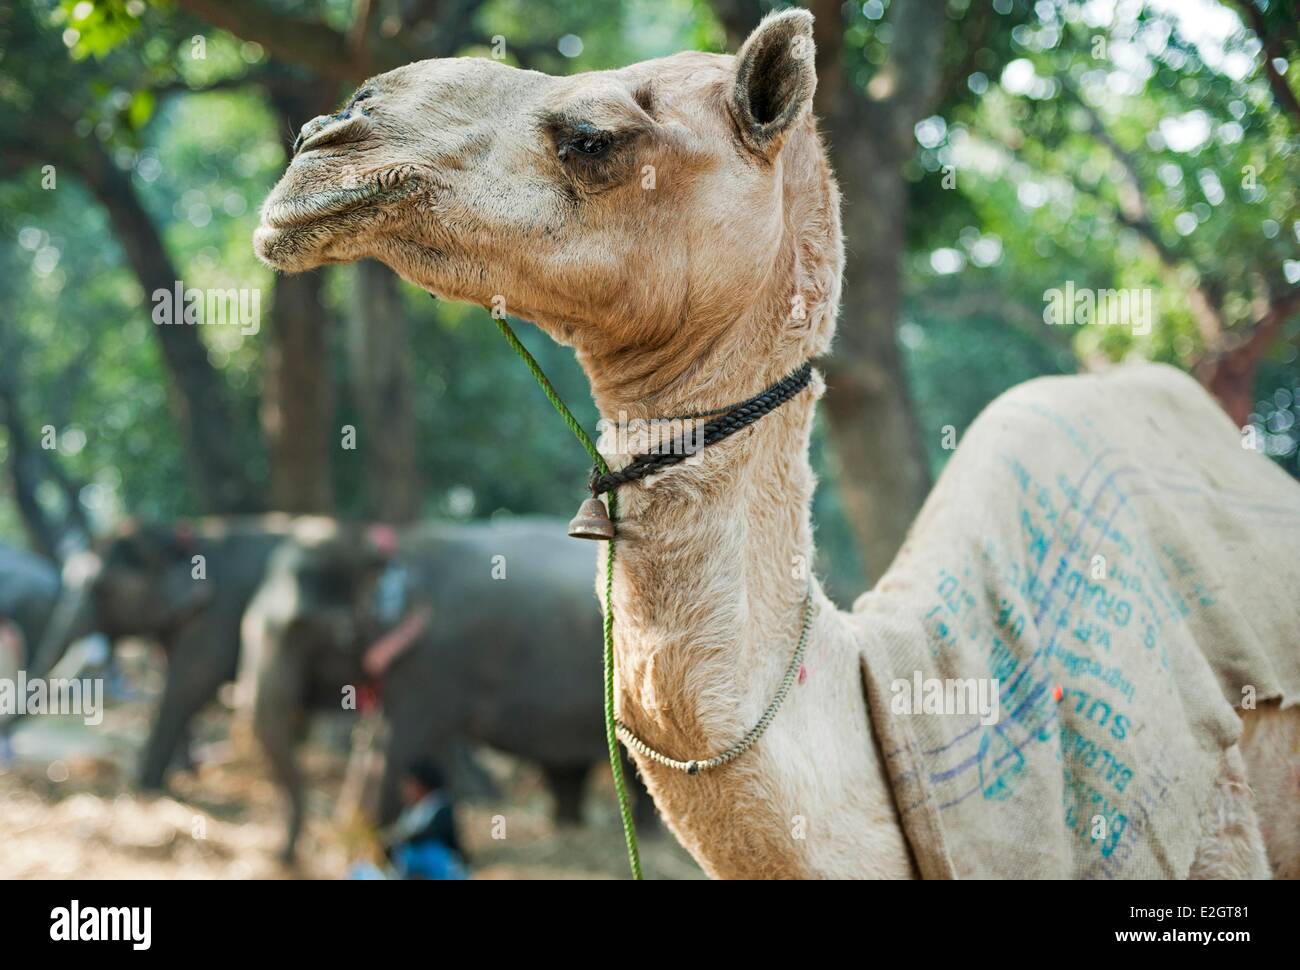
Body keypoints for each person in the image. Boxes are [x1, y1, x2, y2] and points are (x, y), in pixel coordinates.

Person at [382, 760, 468, 880]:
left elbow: (430, 836)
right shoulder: (411, 811)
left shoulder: (441, 808)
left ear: (421, 785)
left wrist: (402, 841)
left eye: (410, 784)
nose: (405, 790)